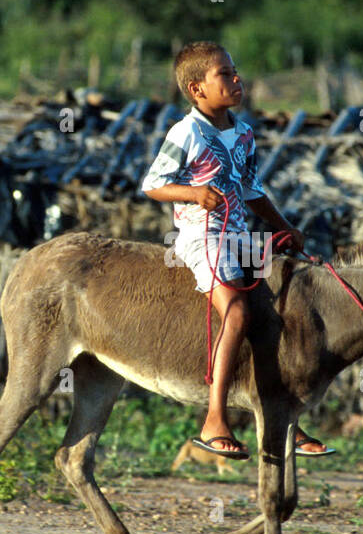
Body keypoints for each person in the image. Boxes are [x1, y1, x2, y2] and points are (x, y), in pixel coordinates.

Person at [141, 41, 335, 459]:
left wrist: (284, 227)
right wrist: (194, 194)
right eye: (225, 75)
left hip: (241, 237)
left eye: (235, 71)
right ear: (197, 89)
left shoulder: (244, 133)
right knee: (237, 312)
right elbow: (154, 184)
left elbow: (250, 191)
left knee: (280, 311)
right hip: (201, 236)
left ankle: (285, 422)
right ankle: (214, 420)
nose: (236, 79)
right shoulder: (186, 132)